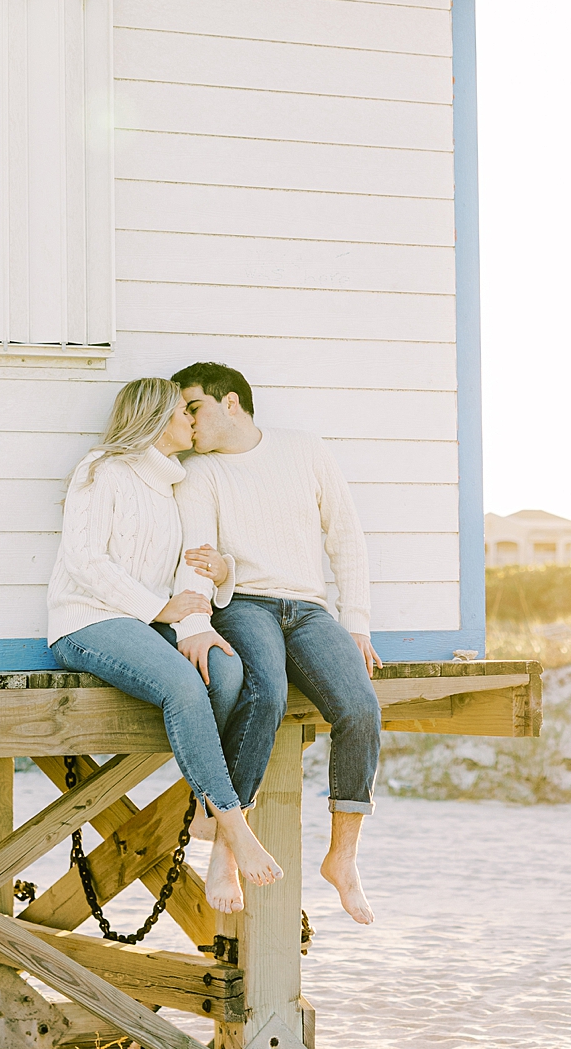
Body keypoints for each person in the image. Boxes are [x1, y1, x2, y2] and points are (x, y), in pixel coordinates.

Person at [46, 376, 282, 914]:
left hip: (147, 625)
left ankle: (207, 804)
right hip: (88, 622)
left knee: (223, 671)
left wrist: (210, 595)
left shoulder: (176, 483)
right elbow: (85, 559)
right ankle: (232, 821)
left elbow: (190, 566)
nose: (191, 419)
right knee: (182, 684)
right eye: (182, 411)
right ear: (153, 418)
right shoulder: (101, 468)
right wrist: (160, 611)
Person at [170, 362, 382, 926]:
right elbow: (198, 555)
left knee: (361, 708)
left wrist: (356, 623)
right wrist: (199, 618)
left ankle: (343, 857)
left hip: (310, 609)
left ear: (231, 402)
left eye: (194, 407)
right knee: (264, 694)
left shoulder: (304, 450)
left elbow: (346, 537)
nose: (187, 421)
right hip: (244, 604)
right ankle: (227, 847)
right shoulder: (197, 473)